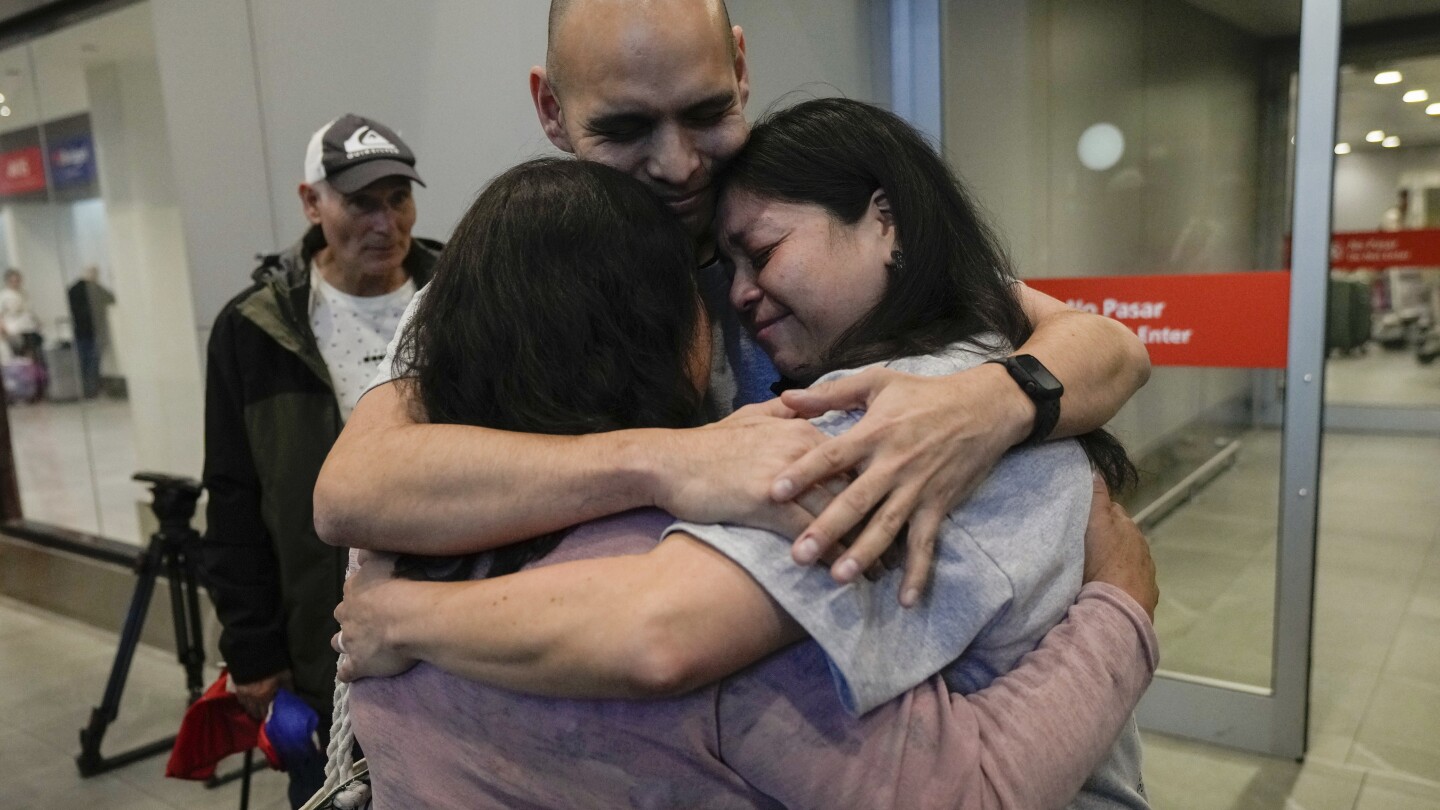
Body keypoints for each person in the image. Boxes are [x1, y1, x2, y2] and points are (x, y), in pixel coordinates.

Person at [335, 140, 1154, 807]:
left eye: (759, 253)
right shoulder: (722, 564)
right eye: (715, 276)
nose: (679, 158)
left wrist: (1019, 382)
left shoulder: (402, 550)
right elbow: (967, 792)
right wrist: (1122, 610)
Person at [313, 0, 1152, 605]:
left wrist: (989, 402)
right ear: (551, 110)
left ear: (742, 68)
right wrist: (666, 461)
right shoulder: (517, 281)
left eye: (708, 112)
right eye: (628, 128)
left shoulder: (789, 226)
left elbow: (1107, 346)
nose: (679, 166)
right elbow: (353, 489)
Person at [198, 113, 440, 807]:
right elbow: (235, 498)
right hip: (319, 660)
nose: (383, 222)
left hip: (447, 646)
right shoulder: (254, 330)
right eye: (361, 201)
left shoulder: (463, 295)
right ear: (312, 203)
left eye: (398, 199)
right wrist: (253, 654)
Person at [66, 265, 115, 398]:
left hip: (85, 331)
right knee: (90, 363)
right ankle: (89, 390)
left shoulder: (78, 289)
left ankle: (88, 390)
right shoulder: (86, 289)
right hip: (89, 331)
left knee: (87, 363)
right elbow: (111, 298)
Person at [1, 268, 46, 399]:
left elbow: (30, 311)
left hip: (29, 329)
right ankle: (23, 391)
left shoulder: (24, 294)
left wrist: (37, 322)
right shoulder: (4, 296)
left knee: (34, 360)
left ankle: (35, 389)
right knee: (21, 362)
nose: (16, 283)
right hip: (14, 330)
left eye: (18, 280)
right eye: (13, 281)